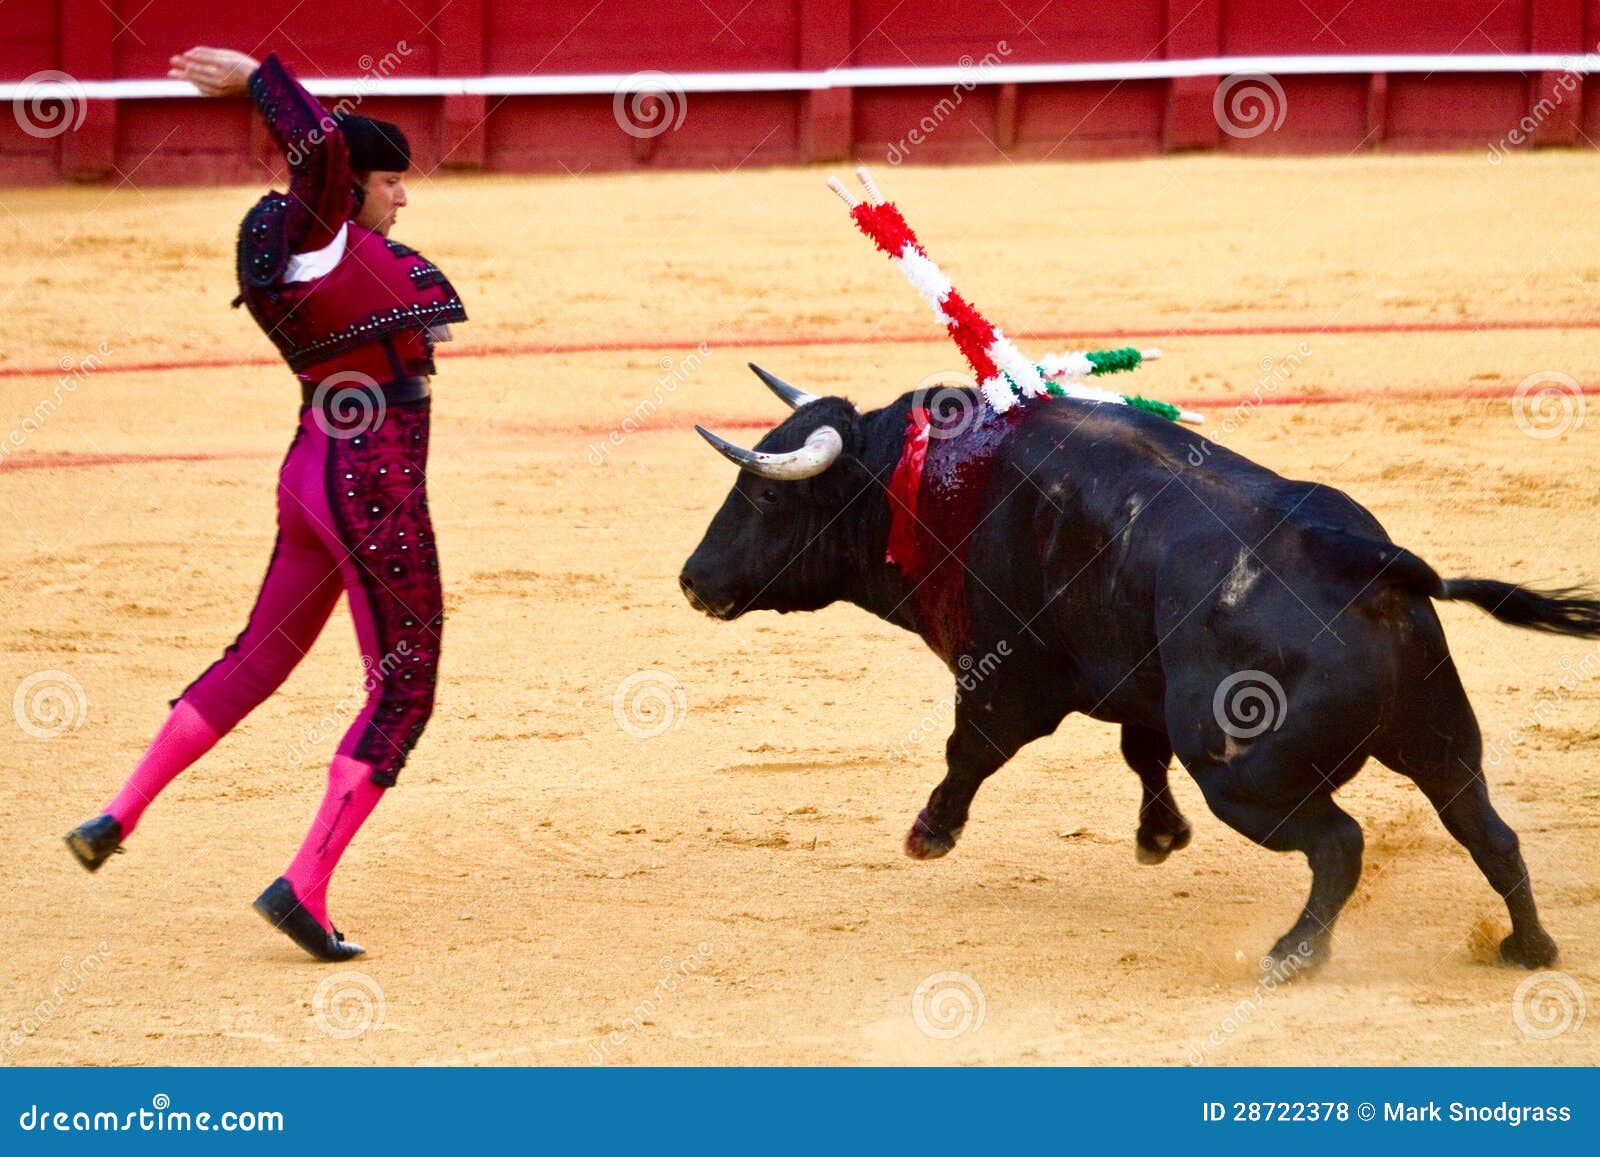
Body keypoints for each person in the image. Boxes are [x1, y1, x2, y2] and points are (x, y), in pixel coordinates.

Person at [64, 45, 467, 962]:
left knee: (258, 658)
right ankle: (306, 884)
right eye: (391, 183)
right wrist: (259, 78)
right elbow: (318, 146)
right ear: (348, 187)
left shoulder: (289, 246)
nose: (401, 200)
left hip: (311, 469)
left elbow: (323, 157)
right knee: (404, 686)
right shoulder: (317, 225)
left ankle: (115, 813)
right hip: (374, 478)